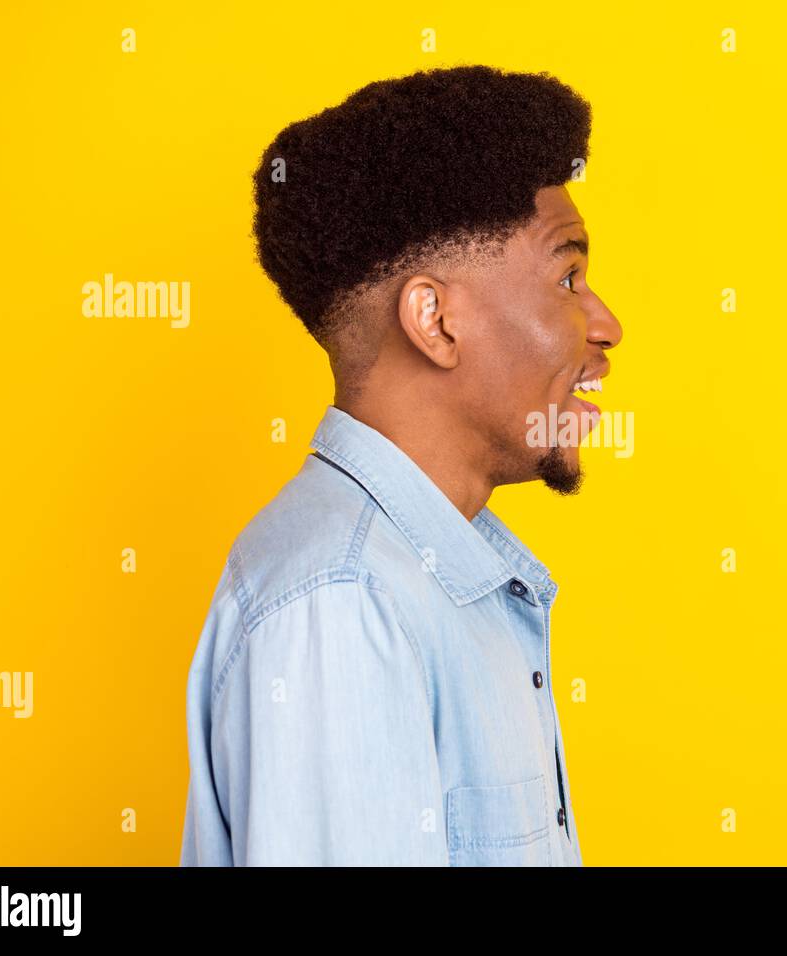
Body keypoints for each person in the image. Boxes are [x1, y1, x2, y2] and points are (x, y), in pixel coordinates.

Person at [179, 64, 623, 865]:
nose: (607, 326)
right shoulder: (342, 606)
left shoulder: (439, 574)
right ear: (435, 320)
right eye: (568, 275)